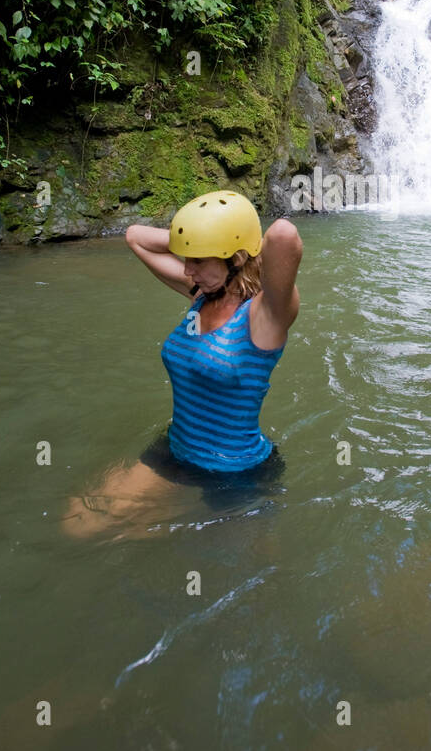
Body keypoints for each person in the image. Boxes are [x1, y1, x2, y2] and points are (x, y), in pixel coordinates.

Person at [63, 191, 302, 537]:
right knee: (76, 518)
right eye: (186, 257)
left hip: (234, 473)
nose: (187, 269)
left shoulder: (265, 317)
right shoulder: (200, 295)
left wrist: (243, 245)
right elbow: (136, 237)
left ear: (234, 258)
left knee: (243, 570)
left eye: (198, 259)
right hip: (177, 449)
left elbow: (283, 234)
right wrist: (196, 240)